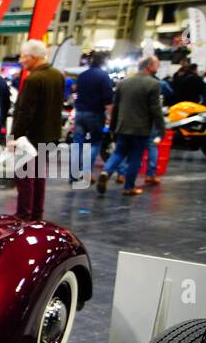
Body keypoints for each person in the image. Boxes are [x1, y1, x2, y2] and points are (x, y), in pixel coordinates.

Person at [11, 39, 64, 219]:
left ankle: (23, 215)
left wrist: (15, 137)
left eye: (23, 57)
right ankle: (36, 214)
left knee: (25, 177)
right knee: (39, 177)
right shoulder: (57, 75)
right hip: (50, 134)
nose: (21, 60)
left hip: (31, 138)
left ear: (33, 57)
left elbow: (25, 112)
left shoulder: (34, 79)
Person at [100, 55, 166, 197]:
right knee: (135, 157)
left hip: (122, 125)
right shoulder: (154, 84)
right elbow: (155, 110)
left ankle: (106, 172)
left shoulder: (123, 83)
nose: (158, 67)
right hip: (140, 128)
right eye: (156, 65)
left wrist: (112, 127)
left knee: (119, 152)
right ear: (149, 67)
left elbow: (115, 107)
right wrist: (161, 128)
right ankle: (129, 187)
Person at [72, 51, 113, 182]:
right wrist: (111, 116)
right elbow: (108, 99)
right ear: (103, 62)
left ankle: (73, 175)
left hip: (79, 113)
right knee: (95, 142)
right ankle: (86, 173)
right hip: (95, 113)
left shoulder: (82, 75)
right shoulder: (104, 76)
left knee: (77, 143)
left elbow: (75, 91)